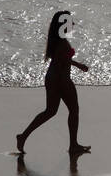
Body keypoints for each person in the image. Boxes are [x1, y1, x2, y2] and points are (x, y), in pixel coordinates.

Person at [16, 10, 91, 156]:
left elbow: (61, 59)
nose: (73, 24)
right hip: (60, 79)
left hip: (53, 78)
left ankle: (23, 136)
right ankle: (73, 145)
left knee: (50, 111)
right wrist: (77, 67)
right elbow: (60, 60)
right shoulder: (61, 42)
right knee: (73, 110)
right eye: (70, 22)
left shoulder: (57, 40)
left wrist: (76, 65)